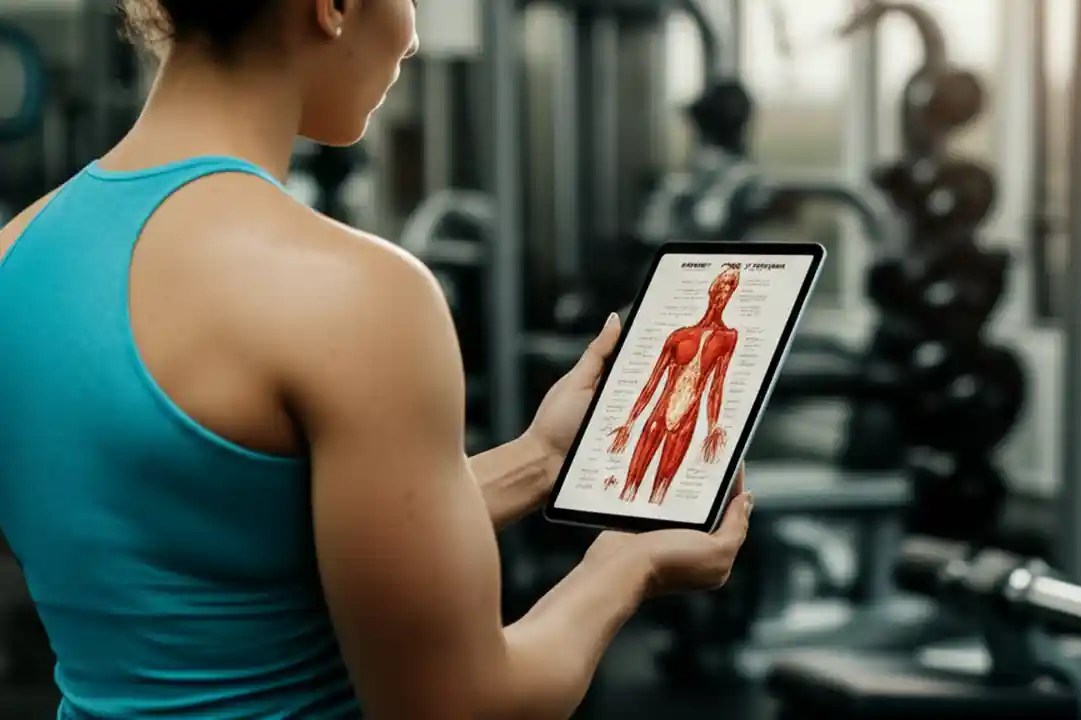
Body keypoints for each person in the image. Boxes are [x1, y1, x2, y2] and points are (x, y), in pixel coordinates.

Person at [0, 2, 754, 718]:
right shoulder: (358, 292)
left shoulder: (16, 257)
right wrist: (624, 567)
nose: (415, 36)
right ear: (332, 5)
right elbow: (465, 708)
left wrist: (539, 459)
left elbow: (220, 546)